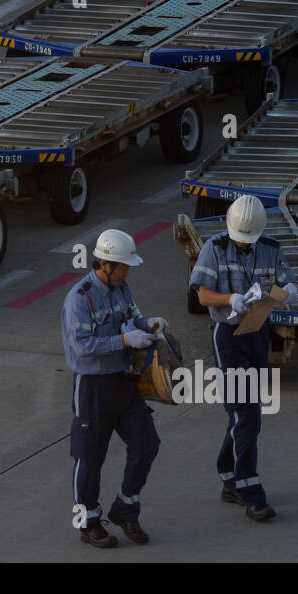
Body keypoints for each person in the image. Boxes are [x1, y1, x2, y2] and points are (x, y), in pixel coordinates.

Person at [189, 194, 297, 522]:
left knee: (241, 414)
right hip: (229, 337)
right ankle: (250, 492)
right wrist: (230, 298)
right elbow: (202, 292)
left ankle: (228, 475)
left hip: (257, 333)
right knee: (248, 415)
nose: (243, 243)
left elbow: (286, 281)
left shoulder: (271, 248)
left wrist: (288, 291)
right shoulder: (215, 248)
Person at [61, 228, 169, 548]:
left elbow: (133, 317)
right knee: (89, 457)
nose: (128, 271)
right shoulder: (79, 299)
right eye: (124, 266)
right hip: (93, 388)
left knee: (146, 443)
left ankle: (125, 508)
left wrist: (148, 325)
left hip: (124, 383)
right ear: (105, 264)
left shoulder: (122, 288)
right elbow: (82, 346)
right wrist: (123, 340)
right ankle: (88, 524)